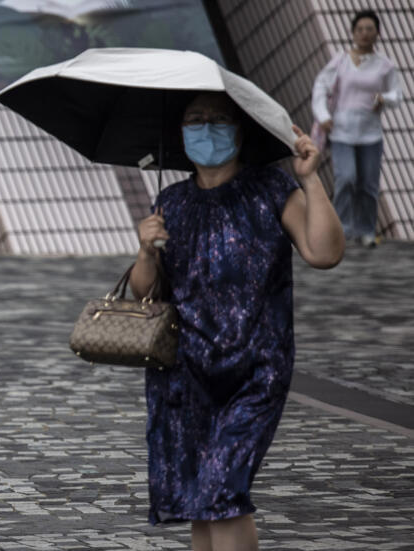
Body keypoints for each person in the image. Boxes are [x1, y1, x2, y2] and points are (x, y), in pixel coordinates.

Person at [130, 92, 344, 551]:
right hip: (184, 375)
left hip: (256, 371)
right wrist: (146, 249)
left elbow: (324, 253)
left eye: (218, 119)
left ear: (240, 130)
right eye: (195, 119)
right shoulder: (172, 200)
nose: (206, 128)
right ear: (181, 133)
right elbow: (147, 293)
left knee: (223, 487)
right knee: (200, 497)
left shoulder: (270, 189)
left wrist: (310, 181)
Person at [312, 9, 402, 248]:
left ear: (378, 33)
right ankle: (340, 228)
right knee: (346, 178)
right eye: (360, 29)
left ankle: (366, 230)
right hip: (342, 132)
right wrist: (323, 115)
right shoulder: (340, 61)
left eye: (369, 29)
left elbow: (397, 93)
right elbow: (320, 86)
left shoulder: (385, 65)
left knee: (369, 185)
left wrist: (384, 99)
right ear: (353, 33)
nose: (364, 34)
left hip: (371, 134)